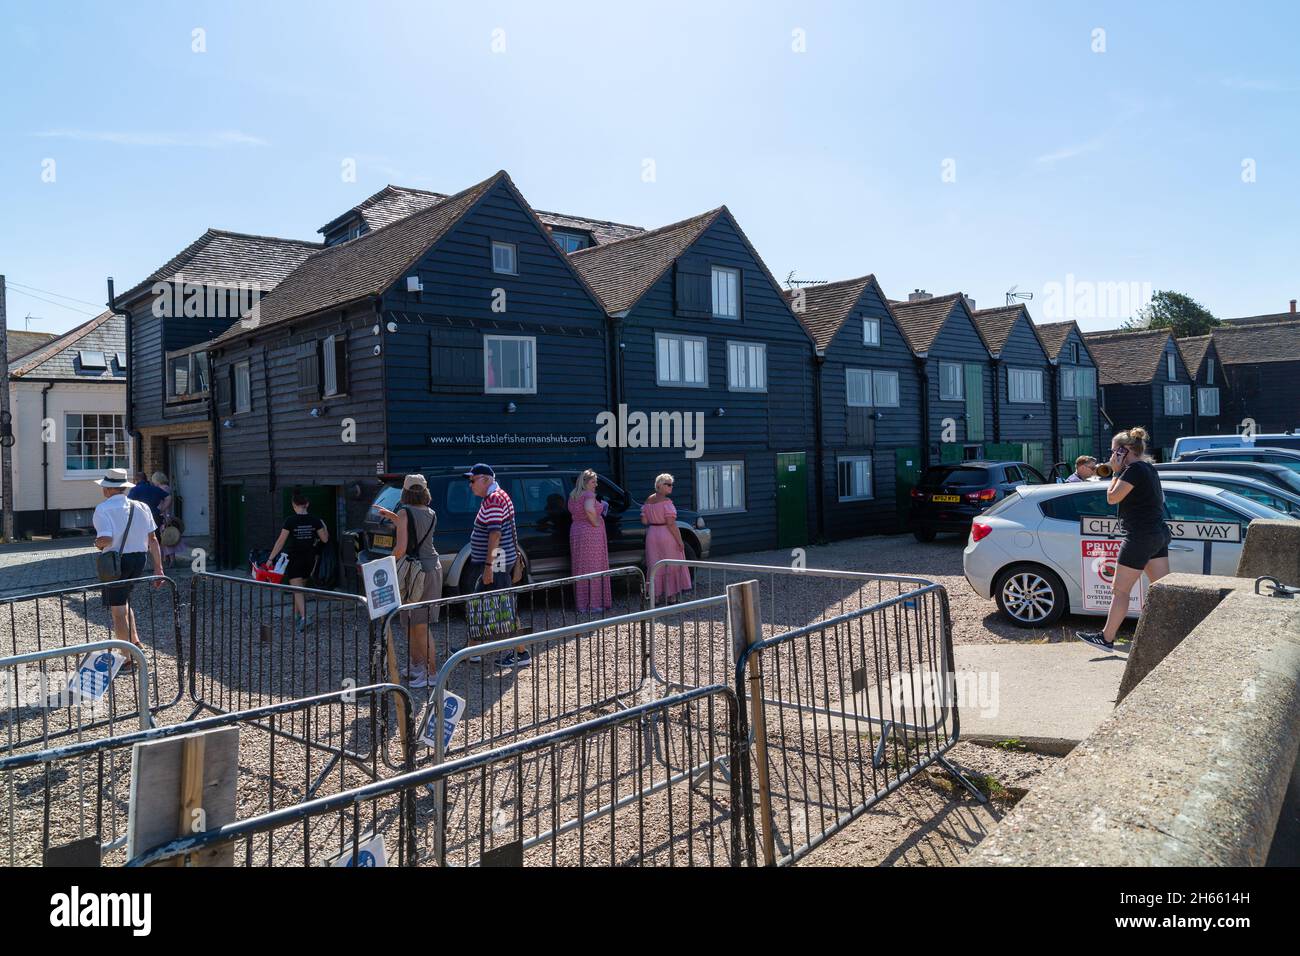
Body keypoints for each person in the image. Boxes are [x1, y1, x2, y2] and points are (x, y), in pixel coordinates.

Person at [1077, 427, 1170, 653]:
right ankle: (1169, 635)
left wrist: (1117, 471)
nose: (1110, 456)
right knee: (1164, 590)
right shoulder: (1148, 468)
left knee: (1120, 591)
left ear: (1124, 451)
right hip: (1158, 533)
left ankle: (1107, 638)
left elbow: (1112, 497)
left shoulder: (1133, 470)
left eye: (1113, 451)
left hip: (1139, 536)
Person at [92, 469, 165, 670]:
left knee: (117, 611)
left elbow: (106, 539)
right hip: (139, 560)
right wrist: (158, 568)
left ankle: (126, 658)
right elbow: (153, 540)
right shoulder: (141, 506)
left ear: (107, 489)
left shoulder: (103, 509)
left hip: (116, 562)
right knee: (124, 600)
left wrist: (96, 543)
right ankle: (135, 640)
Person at [376, 474, 443, 688]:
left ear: (404, 492)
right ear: (424, 491)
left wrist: (383, 563)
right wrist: (395, 518)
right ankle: (418, 665)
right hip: (431, 568)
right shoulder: (430, 512)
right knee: (413, 622)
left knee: (418, 625)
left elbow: (401, 548)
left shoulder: (404, 512)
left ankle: (432, 673)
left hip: (415, 572)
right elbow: (415, 526)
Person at [463, 463, 529, 670]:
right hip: (501, 559)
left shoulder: (493, 499)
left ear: (485, 479)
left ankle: (522, 652)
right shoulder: (499, 495)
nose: (470, 485)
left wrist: (489, 566)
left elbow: (495, 534)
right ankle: (471, 649)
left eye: (472, 480)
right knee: (481, 603)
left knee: (504, 607)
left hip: (497, 561)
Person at [265, 490, 328, 632]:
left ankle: (306, 617)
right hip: (310, 558)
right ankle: (297, 616)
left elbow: (280, 542)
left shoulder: (290, 520)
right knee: (299, 589)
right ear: (307, 504)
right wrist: (323, 525)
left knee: (297, 590)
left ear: (294, 505)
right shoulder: (315, 520)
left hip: (295, 558)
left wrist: (270, 558)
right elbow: (325, 539)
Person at [567, 469, 612, 613]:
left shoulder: (573, 495)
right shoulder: (588, 494)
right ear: (585, 482)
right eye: (593, 482)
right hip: (590, 534)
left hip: (577, 531)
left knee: (581, 567)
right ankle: (593, 604)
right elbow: (588, 509)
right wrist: (596, 522)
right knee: (594, 567)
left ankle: (582, 604)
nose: (596, 485)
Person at [643, 473, 692, 602]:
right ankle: (671, 596)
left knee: (654, 564)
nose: (671, 487)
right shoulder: (667, 502)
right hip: (665, 533)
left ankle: (656, 596)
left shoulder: (648, 500)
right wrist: (680, 541)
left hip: (652, 533)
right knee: (671, 563)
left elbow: (644, 520)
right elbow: (671, 524)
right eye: (668, 484)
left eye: (671, 484)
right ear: (659, 485)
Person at [128, 470, 171, 537]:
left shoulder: (135, 490)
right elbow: (168, 497)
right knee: (155, 538)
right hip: (155, 516)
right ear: (146, 479)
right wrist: (162, 509)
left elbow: (128, 503)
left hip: (140, 518)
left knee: (142, 539)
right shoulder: (155, 489)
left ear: (136, 480)